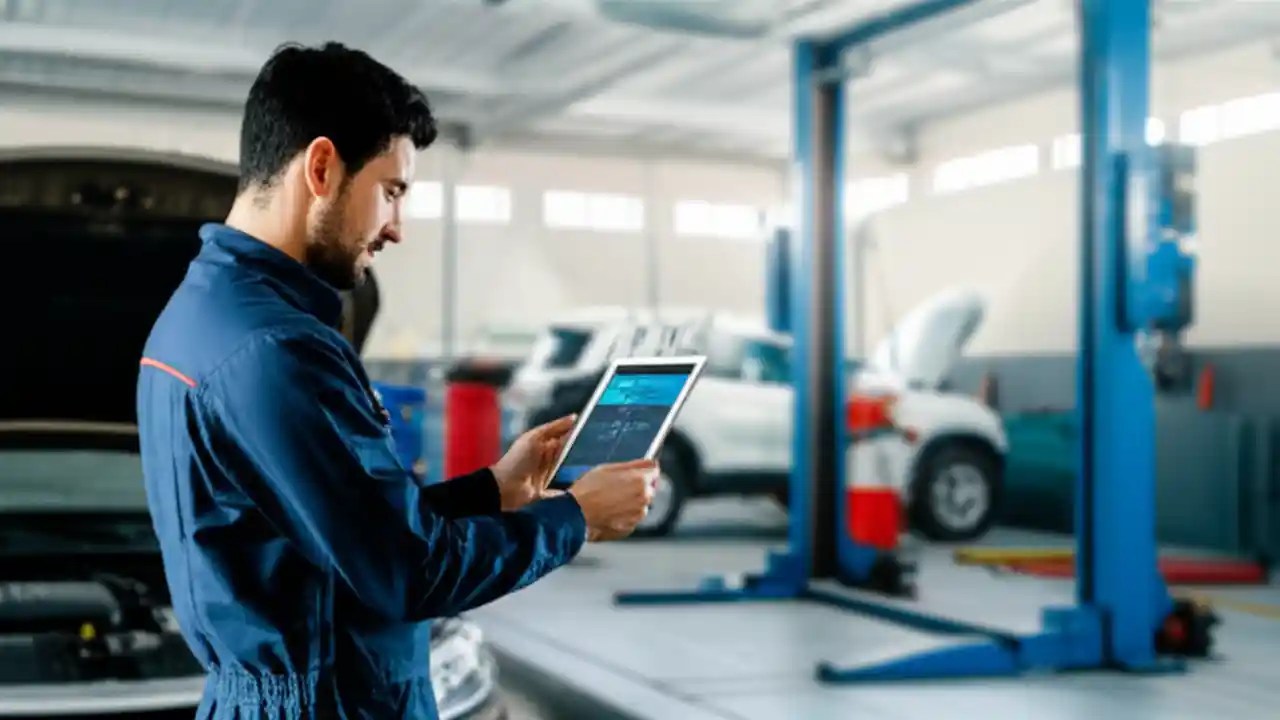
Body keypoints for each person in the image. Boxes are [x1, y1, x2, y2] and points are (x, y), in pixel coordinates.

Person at [136, 41, 656, 719]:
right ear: (321, 167)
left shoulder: (199, 316)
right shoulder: (281, 350)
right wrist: (575, 517)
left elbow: (346, 531)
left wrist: (494, 490)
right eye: (391, 192)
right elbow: (407, 573)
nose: (397, 229)